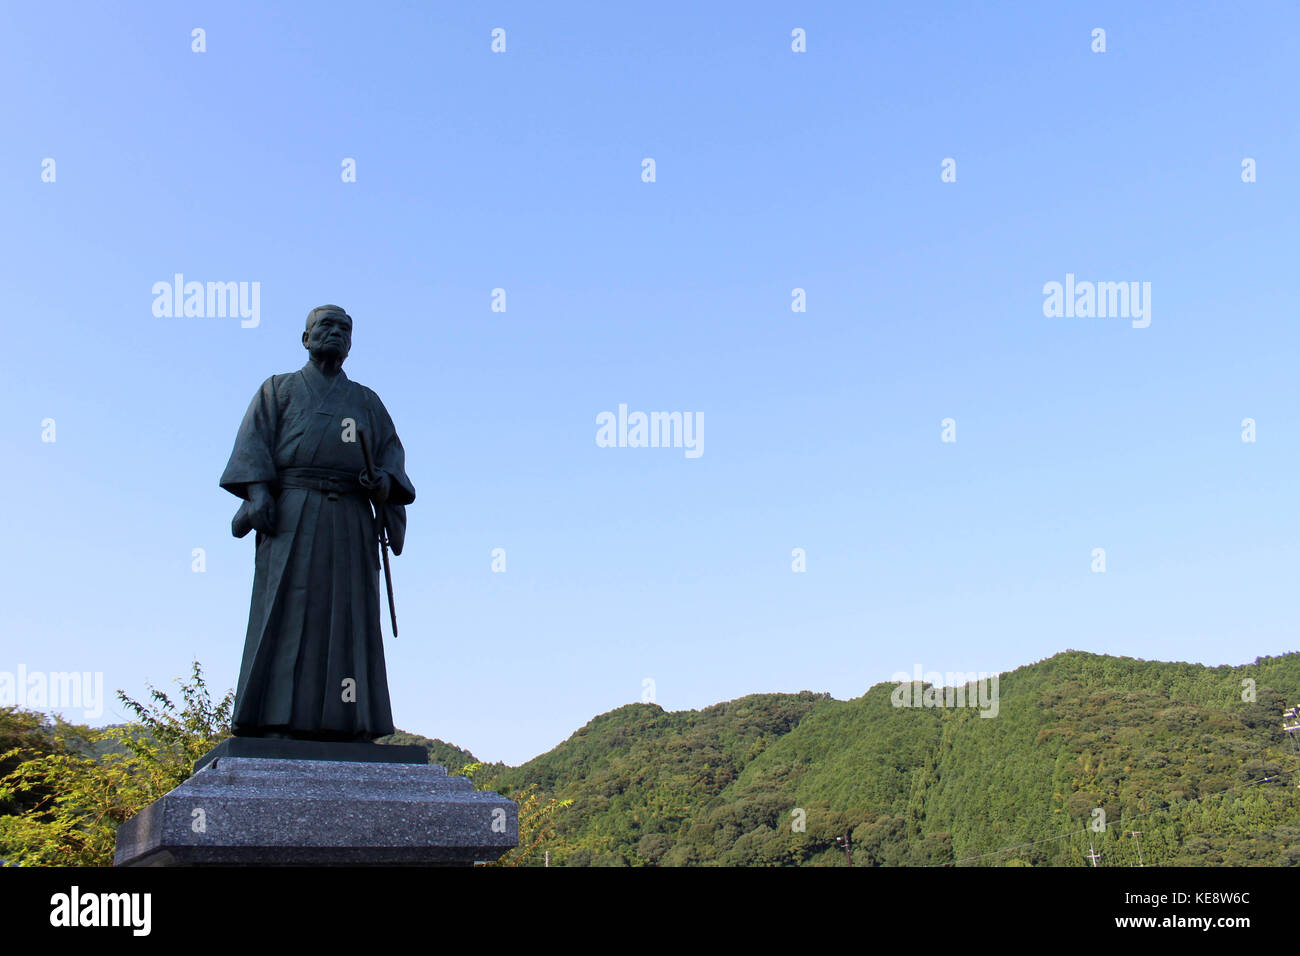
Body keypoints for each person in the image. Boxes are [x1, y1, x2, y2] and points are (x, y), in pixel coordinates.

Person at [219, 304, 415, 740]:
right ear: (304, 338)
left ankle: (349, 725)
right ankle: (273, 720)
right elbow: (253, 447)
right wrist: (258, 493)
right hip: (292, 512)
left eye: (345, 328)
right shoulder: (278, 390)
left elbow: (392, 462)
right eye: (326, 326)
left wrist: (381, 481)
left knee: (349, 617)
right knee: (285, 613)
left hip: (349, 518)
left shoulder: (366, 402)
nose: (336, 333)